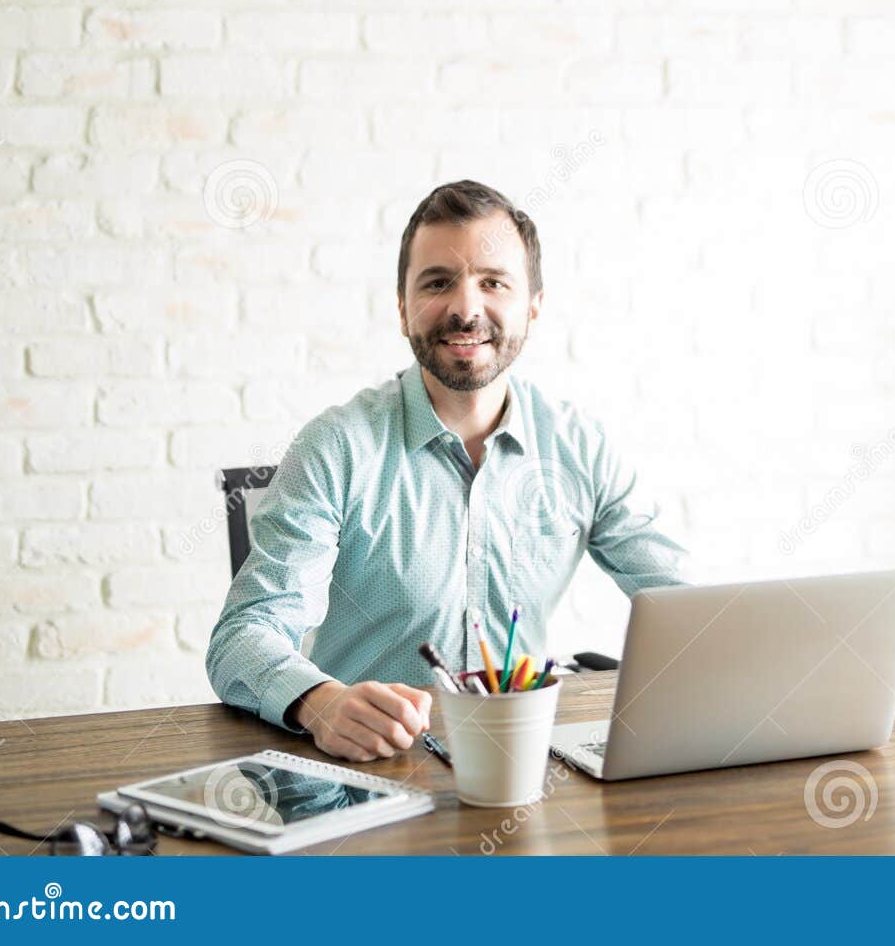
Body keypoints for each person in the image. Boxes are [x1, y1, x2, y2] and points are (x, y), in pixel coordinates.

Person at [206, 181, 688, 762]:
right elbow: (242, 638)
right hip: (364, 781)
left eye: (493, 282)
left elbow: (690, 610)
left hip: (517, 770)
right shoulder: (335, 446)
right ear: (403, 307)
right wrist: (321, 702)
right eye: (437, 283)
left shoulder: (580, 448)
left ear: (532, 305)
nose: (465, 308)